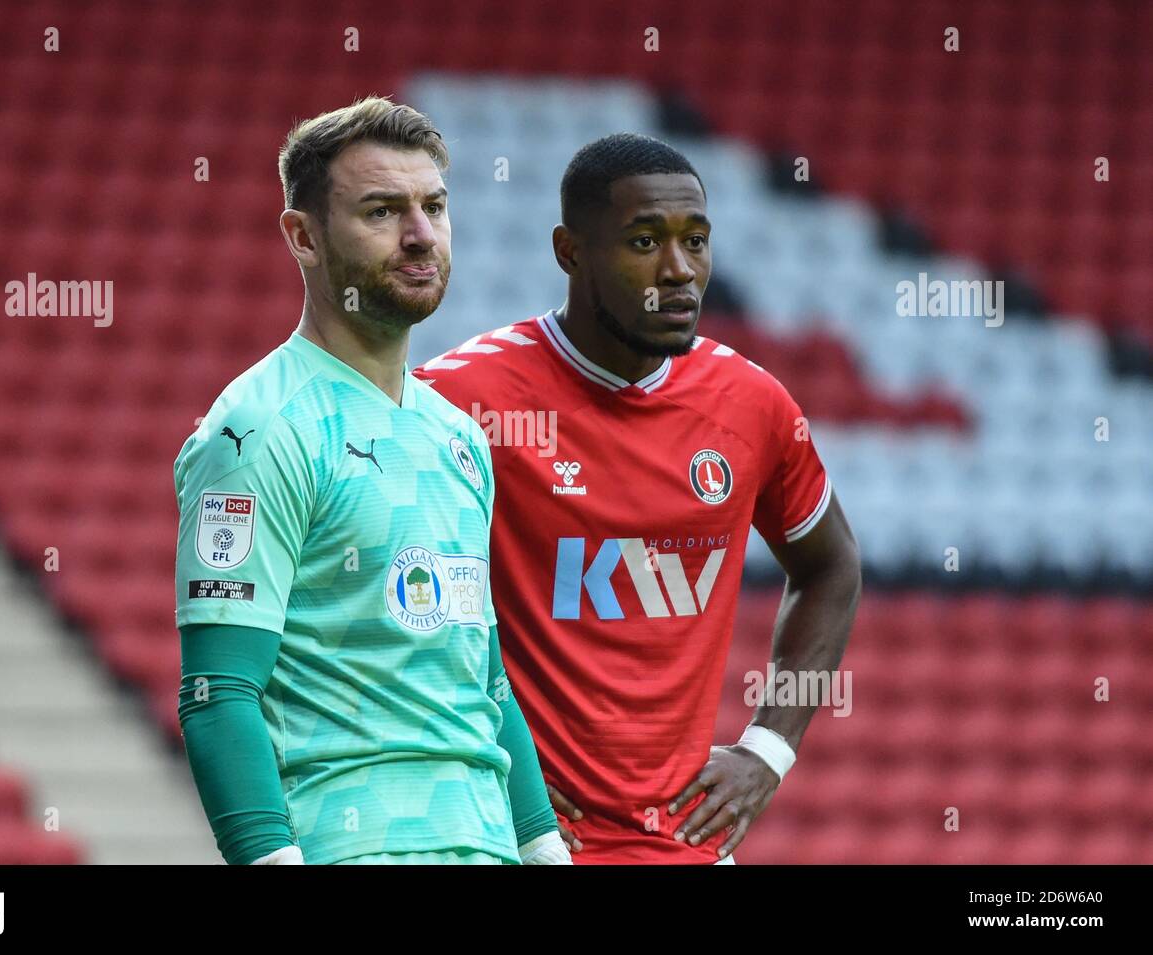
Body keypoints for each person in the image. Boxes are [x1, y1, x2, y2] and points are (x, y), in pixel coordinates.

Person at [416, 133, 861, 863]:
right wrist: (472, 750)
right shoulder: (460, 400)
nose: (679, 270)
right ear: (571, 252)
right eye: (645, 240)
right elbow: (386, 592)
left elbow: (832, 566)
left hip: (685, 842)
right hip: (506, 838)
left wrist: (769, 747)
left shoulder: (751, 405)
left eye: (696, 240)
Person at [173, 97, 567, 865]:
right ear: (304, 237)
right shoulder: (258, 431)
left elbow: (484, 681)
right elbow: (218, 692)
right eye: (383, 211)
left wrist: (546, 850)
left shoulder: (457, 437)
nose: (421, 235)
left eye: (435, 207)